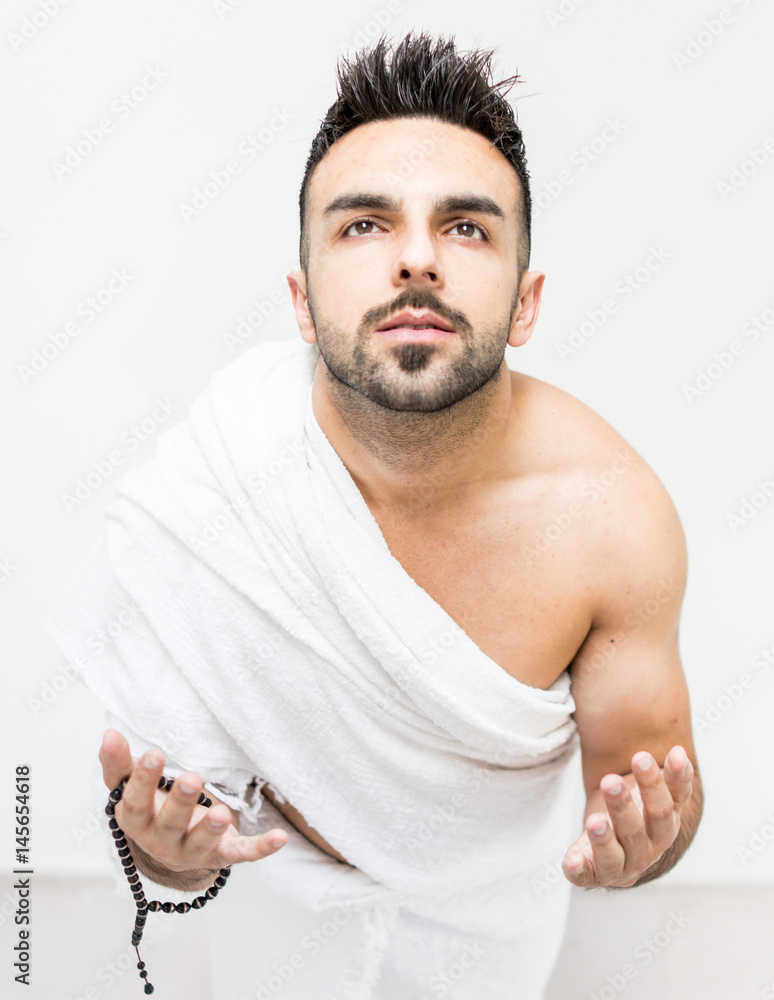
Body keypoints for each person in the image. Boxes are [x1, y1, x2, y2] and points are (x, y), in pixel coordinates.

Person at [49, 30, 703, 1000]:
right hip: (274, 924)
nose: (415, 261)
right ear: (303, 302)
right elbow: (171, 835)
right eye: (363, 225)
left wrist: (643, 847)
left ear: (525, 303)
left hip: (490, 939)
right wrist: (174, 855)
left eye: (467, 227)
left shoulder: (611, 521)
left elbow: (647, 803)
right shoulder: (220, 474)